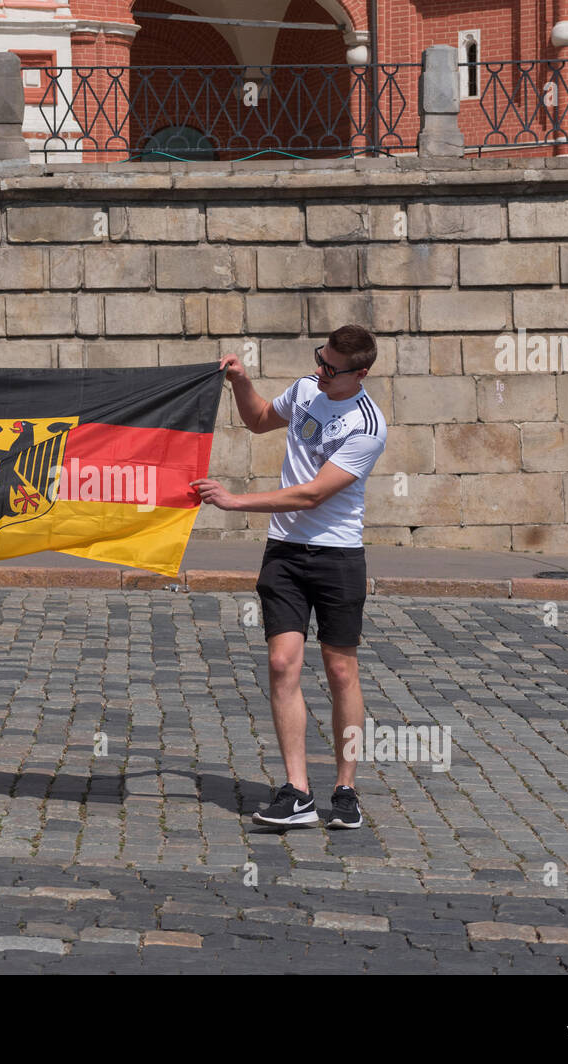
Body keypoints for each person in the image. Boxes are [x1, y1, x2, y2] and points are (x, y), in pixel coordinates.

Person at [192, 324, 386, 830]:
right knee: (282, 664)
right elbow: (258, 420)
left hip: (338, 556)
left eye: (330, 368)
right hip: (284, 554)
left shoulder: (368, 426)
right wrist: (240, 381)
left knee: (341, 670)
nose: (319, 371)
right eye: (318, 359)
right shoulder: (306, 389)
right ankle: (297, 791)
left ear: (359, 373)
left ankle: (345, 788)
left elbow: (311, 495)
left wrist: (236, 501)